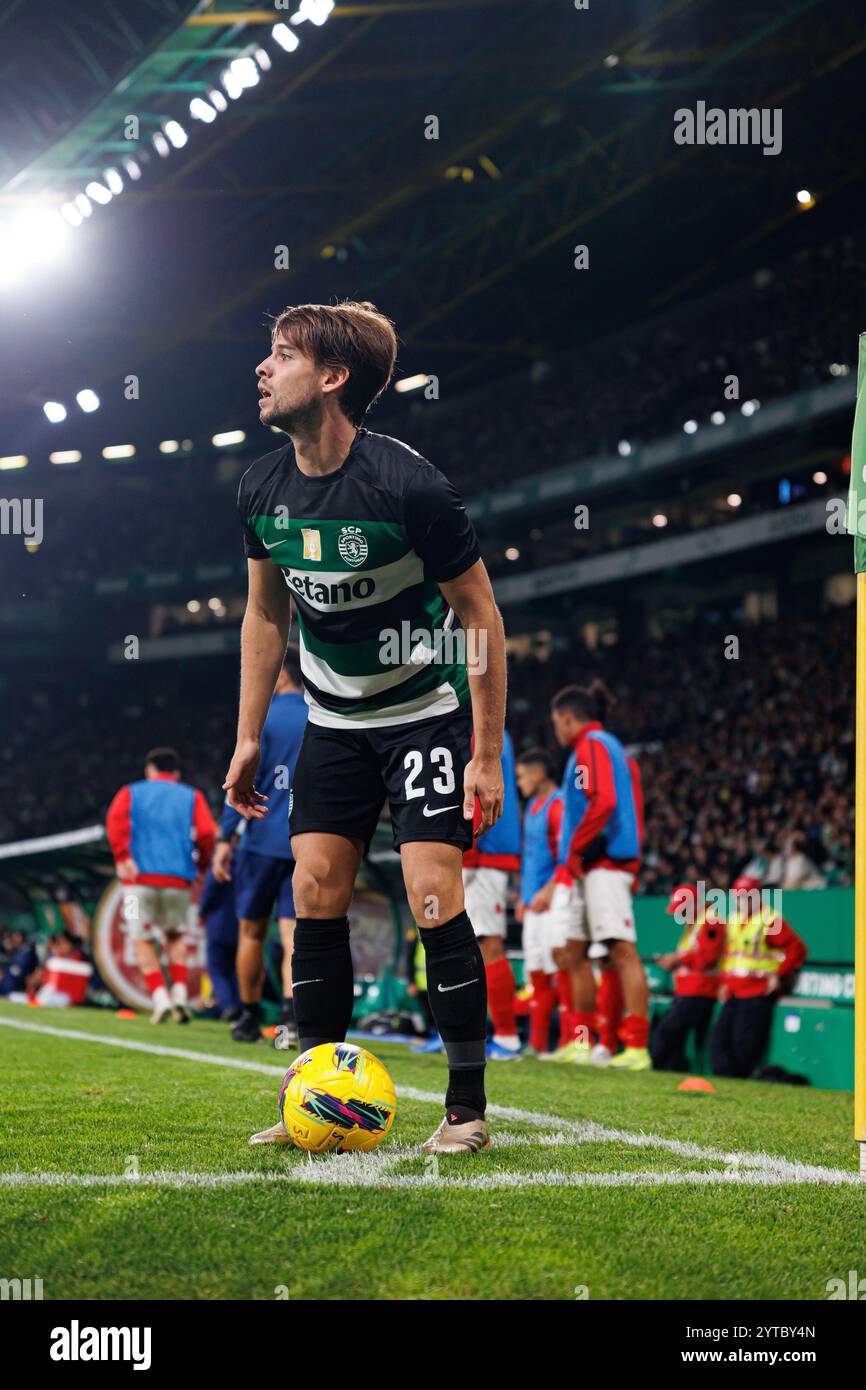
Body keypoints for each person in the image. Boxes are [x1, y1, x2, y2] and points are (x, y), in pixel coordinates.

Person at [222, 300, 505, 1155]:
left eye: (281, 355)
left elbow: (480, 614)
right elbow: (264, 616)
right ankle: (316, 1093)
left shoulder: (409, 485)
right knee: (314, 893)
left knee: (430, 895)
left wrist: (485, 753)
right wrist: (244, 737)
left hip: (424, 715)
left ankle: (466, 1110)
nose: (263, 370)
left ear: (334, 377)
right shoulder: (260, 488)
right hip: (332, 720)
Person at [534, 680, 650, 1069]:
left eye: (556, 723)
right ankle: (583, 1041)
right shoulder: (604, 747)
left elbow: (604, 801)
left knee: (621, 951)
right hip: (589, 866)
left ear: (567, 719)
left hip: (603, 863)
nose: (556, 730)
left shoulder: (593, 746)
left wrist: (579, 847)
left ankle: (636, 1047)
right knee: (575, 952)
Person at [213, 649, 307, 1047]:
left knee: (251, 932)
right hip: (305, 838)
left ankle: (248, 1018)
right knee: (294, 935)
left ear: (280, 674)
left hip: (260, 837)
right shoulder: (322, 714)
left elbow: (239, 778)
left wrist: (225, 837)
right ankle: (290, 1023)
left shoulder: (260, 718)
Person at [106, 747, 216, 1023]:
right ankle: (179, 994)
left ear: (149, 769)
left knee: (139, 938)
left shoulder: (131, 792)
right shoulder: (192, 796)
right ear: (176, 773)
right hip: (178, 881)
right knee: (175, 935)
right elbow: (206, 833)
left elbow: (114, 823)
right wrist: (201, 865)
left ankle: (160, 998)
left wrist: (122, 856)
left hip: (135, 883)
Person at [710, 874, 807, 1079]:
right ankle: (725, 1079)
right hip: (735, 991)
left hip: (758, 990)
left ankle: (737, 1080)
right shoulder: (734, 920)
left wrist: (779, 975)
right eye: (739, 896)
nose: (742, 901)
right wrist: (724, 983)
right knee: (719, 1039)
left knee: (744, 1042)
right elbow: (730, 955)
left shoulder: (770, 920)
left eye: (747, 896)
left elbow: (797, 948)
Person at [462, 730, 522, 1058]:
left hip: (484, 852)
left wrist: (468, 849)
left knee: (488, 944)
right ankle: (472, 1034)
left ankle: (508, 1036)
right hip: (482, 851)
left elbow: (477, 789)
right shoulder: (489, 729)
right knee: (470, 947)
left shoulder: (481, 729)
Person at [515, 747, 562, 1056]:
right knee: (537, 976)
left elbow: (567, 855)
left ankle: (576, 1040)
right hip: (532, 902)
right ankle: (538, 1044)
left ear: (539, 772)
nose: (518, 783)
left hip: (555, 901)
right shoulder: (532, 806)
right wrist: (523, 895)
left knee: (562, 971)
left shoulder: (558, 806)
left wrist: (550, 890)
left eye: (521, 776)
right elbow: (530, 858)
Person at [651, 882, 723, 1072]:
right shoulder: (696, 922)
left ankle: (660, 1069)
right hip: (688, 990)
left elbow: (708, 957)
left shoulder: (711, 920)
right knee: (674, 1037)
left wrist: (677, 959)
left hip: (700, 991)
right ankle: (672, 1070)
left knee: (667, 1034)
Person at [198, 867, 241, 1020]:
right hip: (240, 925)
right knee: (234, 970)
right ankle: (240, 1006)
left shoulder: (221, 863)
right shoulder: (246, 863)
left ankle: (227, 1005)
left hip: (218, 923)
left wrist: (200, 911)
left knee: (216, 970)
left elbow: (209, 891)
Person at [0, 928, 39, 997]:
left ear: (20, 937)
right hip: (8, 987)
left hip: (18, 988)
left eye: (15, 937)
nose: (13, 940)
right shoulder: (16, 951)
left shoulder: (27, 951)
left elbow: (20, 971)